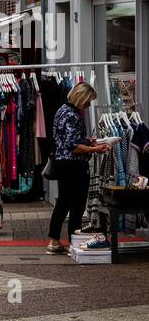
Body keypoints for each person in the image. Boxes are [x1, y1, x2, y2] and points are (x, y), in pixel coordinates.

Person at [47, 83, 111, 254]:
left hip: (62, 163)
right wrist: (95, 149)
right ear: (81, 98)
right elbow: (73, 146)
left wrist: (89, 141)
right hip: (74, 165)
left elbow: (66, 139)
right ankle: (74, 242)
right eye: (88, 102)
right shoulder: (73, 115)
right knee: (77, 204)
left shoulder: (61, 110)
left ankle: (54, 241)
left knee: (63, 202)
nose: (88, 105)